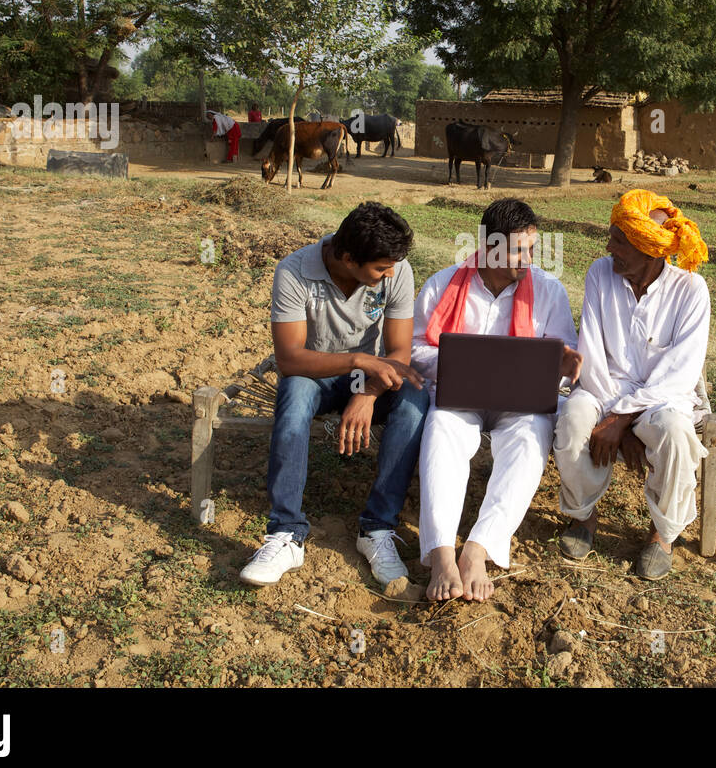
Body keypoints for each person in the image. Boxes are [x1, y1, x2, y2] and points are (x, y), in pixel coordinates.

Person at [240, 203, 429, 588]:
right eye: (380, 268)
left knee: (415, 401)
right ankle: (286, 533)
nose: (390, 274)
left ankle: (377, 528)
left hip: (372, 379)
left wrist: (367, 393)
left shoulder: (398, 271)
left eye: (392, 266)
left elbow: (398, 353)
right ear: (347, 258)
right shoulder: (293, 273)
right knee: (293, 396)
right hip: (315, 376)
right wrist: (358, 360)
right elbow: (291, 359)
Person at [411, 199, 581, 602]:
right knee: (441, 432)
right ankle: (440, 554)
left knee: (531, 437)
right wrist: (458, 363)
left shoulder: (549, 290)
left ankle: (478, 548)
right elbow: (416, 348)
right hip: (458, 396)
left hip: (519, 403)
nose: (530, 258)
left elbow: (561, 351)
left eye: (532, 248)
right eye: (519, 249)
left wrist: (565, 361)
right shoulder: (442, 283)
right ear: (488, 247)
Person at [551, 189, 711, 580]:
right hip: (602, 387)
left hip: (663, 398)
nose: (609, 247)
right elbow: (592, 352)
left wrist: (623, 420)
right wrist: (613, 416)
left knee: (674, 434)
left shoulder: (691, 291)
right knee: (572, 419)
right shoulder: (599, 273)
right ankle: (584, 517)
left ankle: (662, 535)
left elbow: (679, 375)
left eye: (619, 241)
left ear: (649, 250)